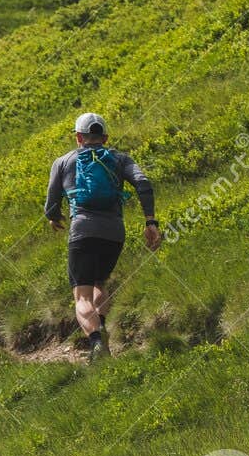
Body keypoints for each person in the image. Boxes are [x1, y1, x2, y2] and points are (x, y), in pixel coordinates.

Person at [44, 112, 161, 362]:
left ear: (78, 137)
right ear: (105, 137)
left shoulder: (63, 162)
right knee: (100, 283)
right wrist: (150, 221)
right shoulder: (120, 159)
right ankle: (102, 327)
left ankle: (97, 343)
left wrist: (54, 217)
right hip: (114, 233)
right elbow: (143, 183)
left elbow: (51, 204)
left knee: (82, 295)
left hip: (83, 231)